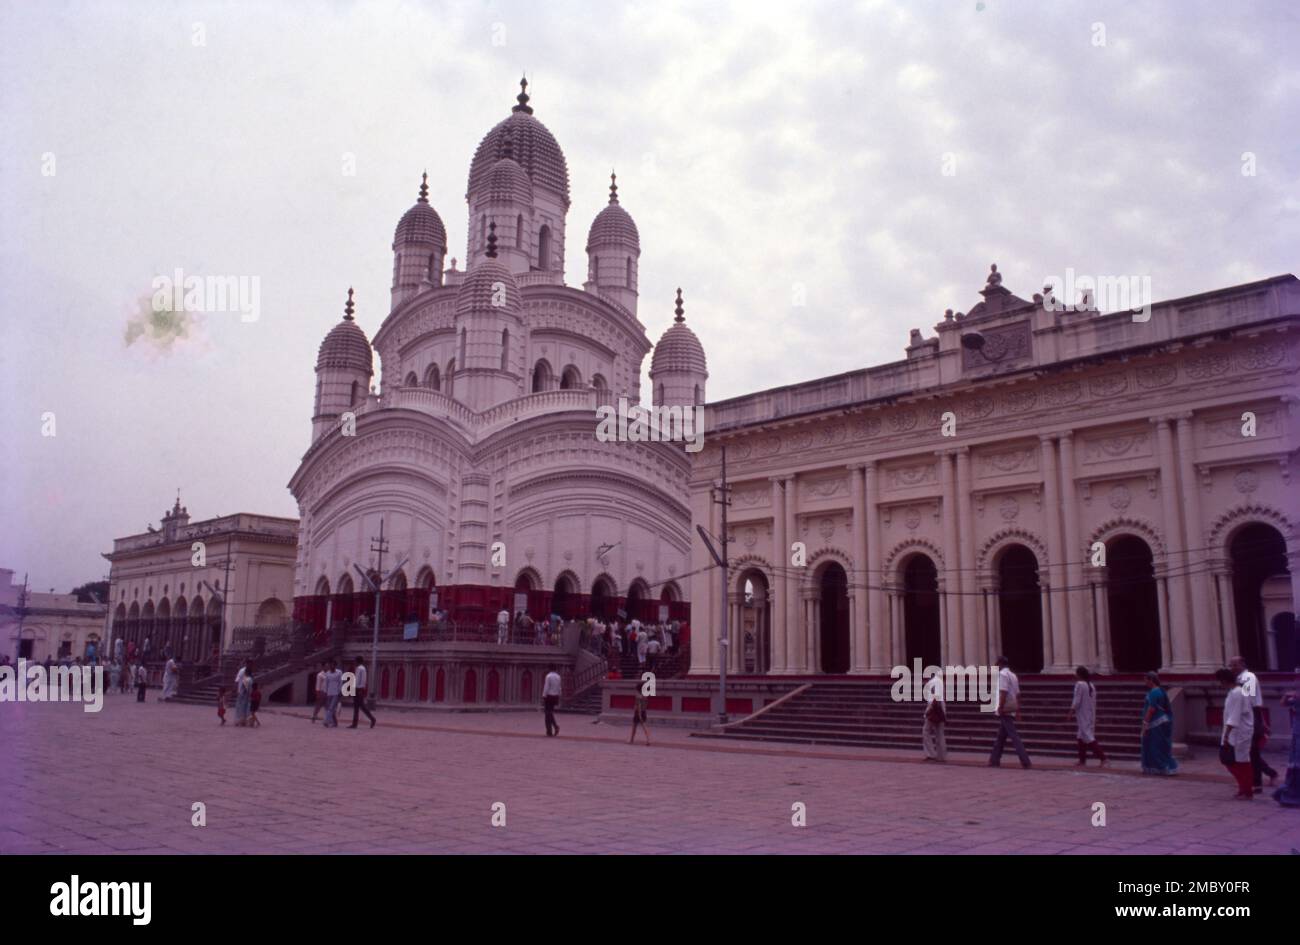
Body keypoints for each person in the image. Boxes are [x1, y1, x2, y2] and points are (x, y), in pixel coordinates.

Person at [1229, 655, 1277, 792]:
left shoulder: (1248, 677)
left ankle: (1257, 782)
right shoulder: (1239, 679)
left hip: (1249, 714)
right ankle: (1266, 775)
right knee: (1250, 751)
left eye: (1234, 664)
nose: (1232, 668)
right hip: (1246, 714)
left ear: (1243, 664)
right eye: (1231, 665)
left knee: (1251, 750)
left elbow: (1247, 700)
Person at [1217, 667, 1255, 799]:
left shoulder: (1237, 693)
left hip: (1239, 732)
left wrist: (1226, 734)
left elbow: (1234, 716)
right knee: (1232, 761)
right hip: (1235, 731)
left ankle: (1246, 789)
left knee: (1241, 761)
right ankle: (1243, 787)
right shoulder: (1234, 692)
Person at [988, 656, 1031, 768]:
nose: (996, 665)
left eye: (997, 663)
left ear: (1001, 664)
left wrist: (1000, 707)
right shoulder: (1013, 675)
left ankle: (1025, 760)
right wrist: (1018, 710)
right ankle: (994, 759)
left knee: (1013, 735)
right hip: (1011, 708)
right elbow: (1018, 694)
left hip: (1005, 708)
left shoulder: (1002, 675)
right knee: (1001, 736)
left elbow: (1003, 692)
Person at [1140, 671, 1178, 775]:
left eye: (1146, 680)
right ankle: (1161, 767)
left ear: (1151, 680)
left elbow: (1151, 709)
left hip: (1155, 722)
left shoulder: (1154, 692)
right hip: (1162, 721)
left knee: (1155, 746)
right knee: (1161, 745)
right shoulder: (1160, 691)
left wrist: (1145, 723)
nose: (1145, 682)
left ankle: (1162, 767)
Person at [1067, 666, 1106, 766]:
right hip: (1089, 713)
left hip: (1083, 714)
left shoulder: (1080, 684)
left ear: (1079, 674)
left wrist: (1071, 711)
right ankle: (1082, 760)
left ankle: (1103, 758)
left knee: (1088, 736)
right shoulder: (1091, 685)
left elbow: (1077, 700)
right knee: (1080, 736)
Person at [1273, 673, 1300, 807]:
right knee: (1295, 762)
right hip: (1296, 732)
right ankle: (1291, 794)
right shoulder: (1295, 695)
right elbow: (1283, 703)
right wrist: (1287, 695)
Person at [922, 673, 947, 762]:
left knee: (926, 731)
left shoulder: (933, 682)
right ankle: (942, 756)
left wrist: (929, 711)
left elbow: (934, 698)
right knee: (939, 733)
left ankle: (931, 754)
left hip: (933, 710)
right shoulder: (940, 681)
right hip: (941, 710)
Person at [350, 657, 376, 729]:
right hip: (356, 689)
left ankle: (372, 719)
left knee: (361, 707)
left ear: (357, 661)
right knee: (358, 707)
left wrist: (360, 689)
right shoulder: (358, 668)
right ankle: (355, 723)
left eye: (355, 661)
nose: (354, 663)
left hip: (359, 689)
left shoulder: (362, 669)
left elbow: (362, 680)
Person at [322, 659, 343, 728]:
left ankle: (326, 721)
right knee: (330, 708)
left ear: (335, 665)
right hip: (329, 692)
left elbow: (340, 682)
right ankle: (335, 722)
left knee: (331, 708)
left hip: (336, 692)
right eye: (330, 665)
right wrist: (325, 692)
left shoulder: (339, 672)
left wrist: (340, 691)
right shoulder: (327, 673)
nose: (331, 666)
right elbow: (326, 683)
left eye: (333, 664)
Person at [542, 665, 562, 737]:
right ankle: (550, 730)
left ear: (549, 669)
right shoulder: (558, 677)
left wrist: (544, 695)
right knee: (549, 713)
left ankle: (552, 728)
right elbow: (559, 687)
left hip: (549, 696)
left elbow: (546, 687)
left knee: (548, 713)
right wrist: (559, 695)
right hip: (555, 696)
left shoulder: (548, 676)